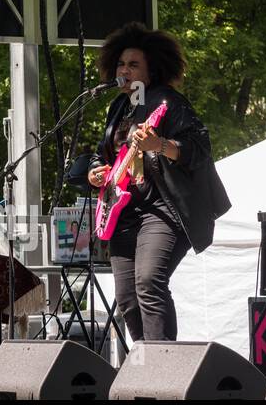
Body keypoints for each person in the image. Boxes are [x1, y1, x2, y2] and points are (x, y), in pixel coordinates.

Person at [86, 22, 230, 342]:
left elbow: (199, 149)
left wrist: (159, 146)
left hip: (163, 209)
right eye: (121, 64)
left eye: (134, 64)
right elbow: (103, 155)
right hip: (123, 214)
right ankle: (144, 366)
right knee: (126, 299)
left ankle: (164, 372)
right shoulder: (118, 107)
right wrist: (95, 172)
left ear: (153, 69)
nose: (125, 70)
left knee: (150, 282)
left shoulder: (168, 102)